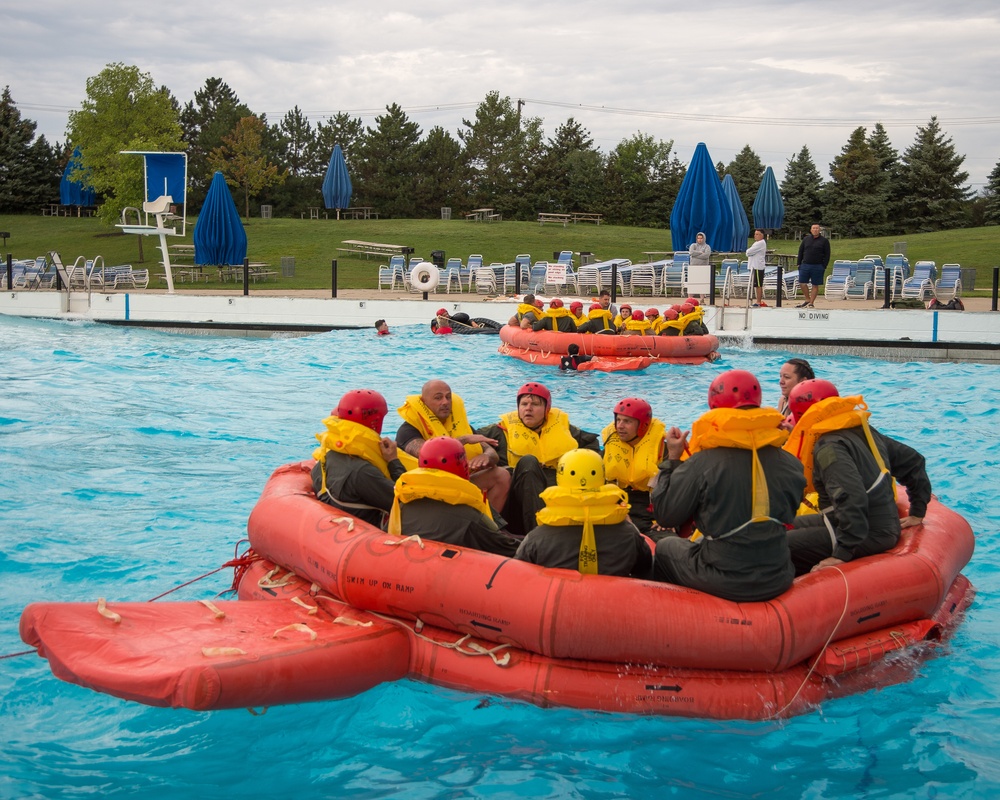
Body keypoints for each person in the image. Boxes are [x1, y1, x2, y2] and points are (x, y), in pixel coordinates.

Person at [650, 370, 807, 602]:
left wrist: (672, 459)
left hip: (724, 576)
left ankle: (677, 618)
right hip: (778, 574)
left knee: (665, 547)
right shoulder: (791, 463)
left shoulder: (703, 463)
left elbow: (665, 515)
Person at [783, 379, 932, 576]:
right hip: (858, 524)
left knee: (773, 546)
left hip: (868, 533)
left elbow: (851, 497)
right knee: (775, 529)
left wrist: (842, 553)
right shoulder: (863, 431)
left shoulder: (829, 448)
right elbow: (914, 461)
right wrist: (917, 511)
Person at [477, 382, 601, 537]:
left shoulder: (564, 429)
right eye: (524, 404)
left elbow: (592, 443)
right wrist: (486, 452)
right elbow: (475, 438)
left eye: (535, 404)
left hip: (554, 498)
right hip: (516, 504)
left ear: (546, 410)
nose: (528, 408)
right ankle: (537, 537)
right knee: (529, 462)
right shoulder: (500, 431)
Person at [515, 449, 652, 578]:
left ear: (560, 476)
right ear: (601, 475)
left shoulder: (537, 537)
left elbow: (519, 573)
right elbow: (645, 568)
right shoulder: (629, 534)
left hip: (557, 599)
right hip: (613, 599)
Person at [388, 437, 521, 557]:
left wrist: (393, 461)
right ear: (463, 466)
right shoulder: (470, 516)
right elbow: (509, 548)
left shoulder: (401, 506)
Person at [396, 380, 510, 513]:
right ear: (424, 402)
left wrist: (486, 456)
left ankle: (491, 527)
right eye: (438, 398)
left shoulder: (461, 425)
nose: (445, 402)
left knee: (501, 474)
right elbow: (430, 453)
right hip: (430, 489)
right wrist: (465, 439)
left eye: (448, 397)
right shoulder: (408, 430)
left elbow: (492, 452)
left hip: (462, 482)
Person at [311, 389, 406, 529]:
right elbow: (405, 502)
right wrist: (393, 462)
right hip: (368, 535)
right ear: (376, 421)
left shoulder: (327, 456)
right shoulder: (363, 472)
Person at [602, 397, 666, 534]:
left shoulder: (662, 450)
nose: (620, 426)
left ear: (643, 425)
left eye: (627, 421)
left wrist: (667, 518)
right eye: (618, 420)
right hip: (621, 503)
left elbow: (674, 488)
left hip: (651, 508)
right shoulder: (609, 447)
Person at [796, 223, 831, 309]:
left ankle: (811, 302)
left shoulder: (824, 241)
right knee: (802, 283)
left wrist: (824, 265)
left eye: (817, 228)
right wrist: (799, 263)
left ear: (819, 230)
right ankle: (807, 299)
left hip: (818, 265)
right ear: (811, 230)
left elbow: (827, 254)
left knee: (815, 284)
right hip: (805, 264)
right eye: (813, 228)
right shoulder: (806, 239)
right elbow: (801, 251)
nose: (815, 230)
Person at [747, 229, 768, 308]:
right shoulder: (756, 243)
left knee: (758, 284)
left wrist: (749, 252)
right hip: (753, 266)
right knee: (755, 284)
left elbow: (748, 252)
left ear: (762, 235)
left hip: (758, 267)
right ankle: (756, 300)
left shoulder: (761, 243)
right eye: (755, 234)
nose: (755, 236)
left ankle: (758, 301)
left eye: (757, 234)